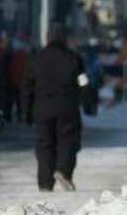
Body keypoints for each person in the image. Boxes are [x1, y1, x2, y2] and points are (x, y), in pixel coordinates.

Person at [21, 24, 97, 192]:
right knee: (68, 140)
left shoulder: (36, 59)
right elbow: (83, 82)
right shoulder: (74, 58)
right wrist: (88, 102)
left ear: (47, 37)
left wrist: (25, 112)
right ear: (64, 38)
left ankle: (45, 182)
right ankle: (63, 170)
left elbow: (27, 87)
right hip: (67, 107)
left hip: (42, 108)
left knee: (45, 144)